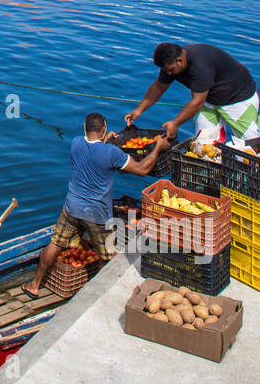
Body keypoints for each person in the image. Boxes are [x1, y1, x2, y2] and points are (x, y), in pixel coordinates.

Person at [22, 112, 168, 298]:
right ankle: (94, 295)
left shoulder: (76, 143)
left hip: (72, 208)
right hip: (97, 214)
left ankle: (34, 285)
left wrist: (106, 140)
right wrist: (157, 148)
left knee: (56, 243)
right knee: (107, 257)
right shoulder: (111, 153)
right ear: (104, 129)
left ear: (85, 129)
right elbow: (142, 169)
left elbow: (94, 150)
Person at [125, 42, 260, 144]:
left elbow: (197, 102)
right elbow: (159, 87)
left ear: (179, 60)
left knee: (250, 144)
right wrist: (139, 110)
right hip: (210, 100)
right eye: (166, 70)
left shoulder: (200, 65)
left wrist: (176, 123)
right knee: (203, 143)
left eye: (171, 70)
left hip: (238, 98)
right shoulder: (169, 65)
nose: (169, 74)